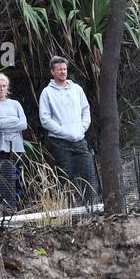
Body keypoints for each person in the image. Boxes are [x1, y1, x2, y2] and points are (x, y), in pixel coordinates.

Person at [37, 56, 97, 207]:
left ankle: (90, 209)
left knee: (88, 174)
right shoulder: (47, 92)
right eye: (59, 69)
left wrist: (82, 128)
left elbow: (86, 109)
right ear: (52, 72)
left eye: (64, 69)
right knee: (65, 178)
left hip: (79, 140)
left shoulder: (77, 89)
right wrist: (62, 131)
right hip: (59, 142)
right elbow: (45, 119)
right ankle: (67, 212)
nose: (63, 72)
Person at [0, 73, 28, 214]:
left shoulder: (15, 104)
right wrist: (13, 120)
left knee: (16, 179)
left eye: (4, 86)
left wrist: (4, 122)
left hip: (16, 148)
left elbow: (24, 124)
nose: (1, 89)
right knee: (1, 180)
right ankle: (2, 210)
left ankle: (16, 210)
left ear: (7, 87)